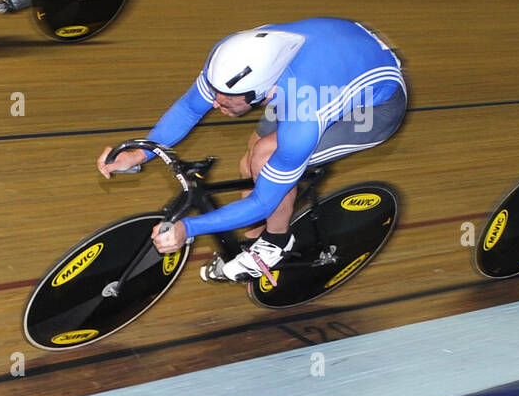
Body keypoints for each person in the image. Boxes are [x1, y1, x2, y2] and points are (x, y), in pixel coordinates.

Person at [98, 19, 407, 282]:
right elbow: (190, 108)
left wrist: (187, 228)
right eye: (216, 95)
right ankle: (258, 231)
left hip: (374, 107)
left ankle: (275, 243)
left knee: (266, 157)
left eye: (226, 100)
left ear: (263, 92)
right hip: (333, 58)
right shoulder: (231, 58)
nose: (216, 104)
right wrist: (141, 153)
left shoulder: (304, 113)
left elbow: (261, 201)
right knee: (250, 160)